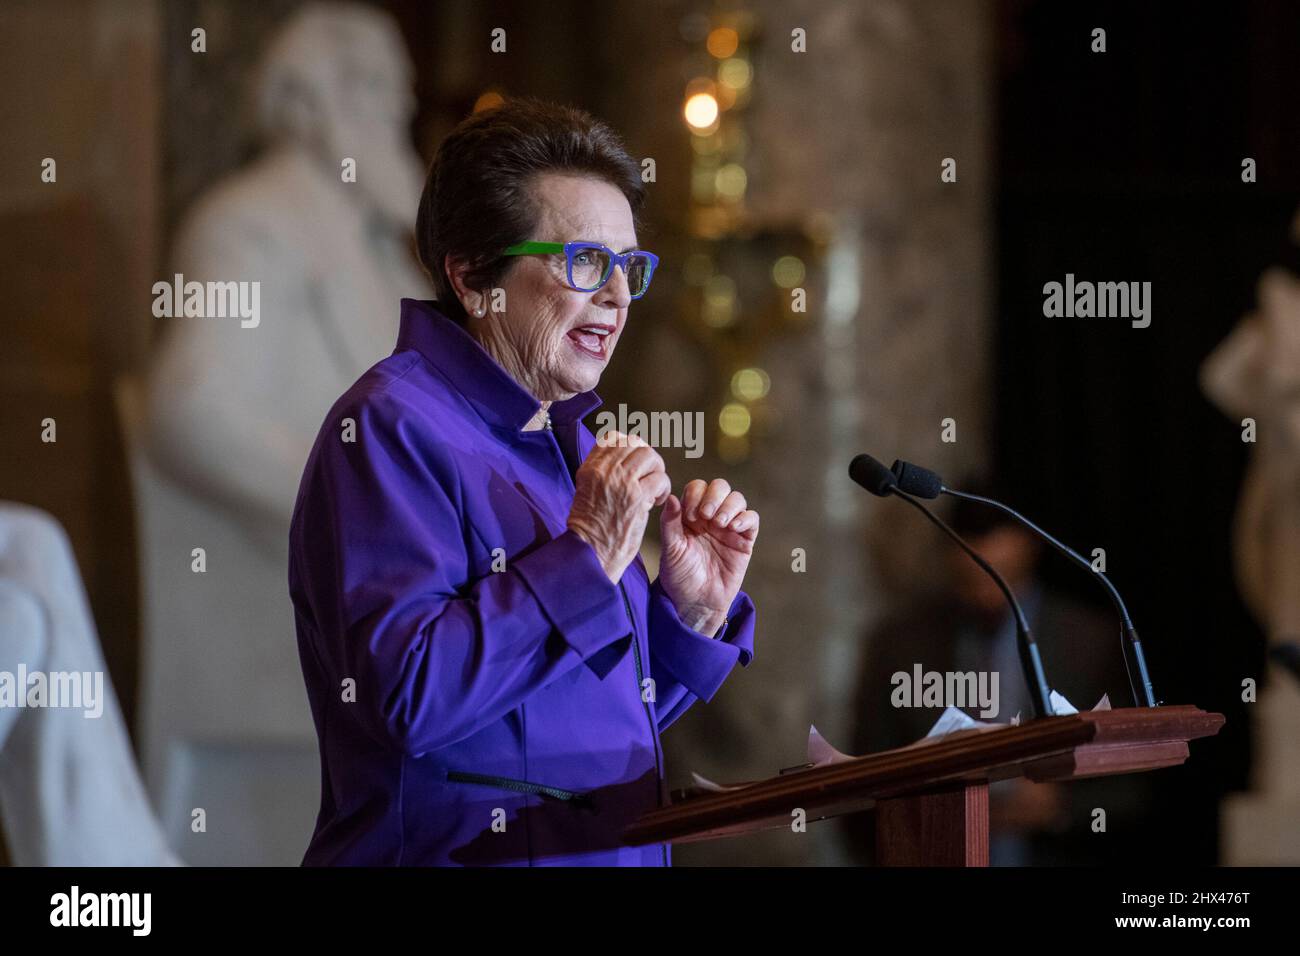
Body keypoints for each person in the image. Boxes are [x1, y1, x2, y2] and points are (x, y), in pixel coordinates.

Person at [289, 97, 760, 866]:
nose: (615, 296)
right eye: (583, 262)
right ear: (473, 276)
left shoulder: (568, 443)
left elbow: (574, 716)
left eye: (628, 267)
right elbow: (412, 698)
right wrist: (588, 553)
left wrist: (691, 617)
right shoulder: (390, 427)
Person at [845, 481, 1153, 865]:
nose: (984, 594)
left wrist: (1059, 803)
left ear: (1030, 545)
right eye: (970, 579)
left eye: (1000, 575)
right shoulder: (900, 645)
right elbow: (863, 777)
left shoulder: (1089, 641)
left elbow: (1137, 780)